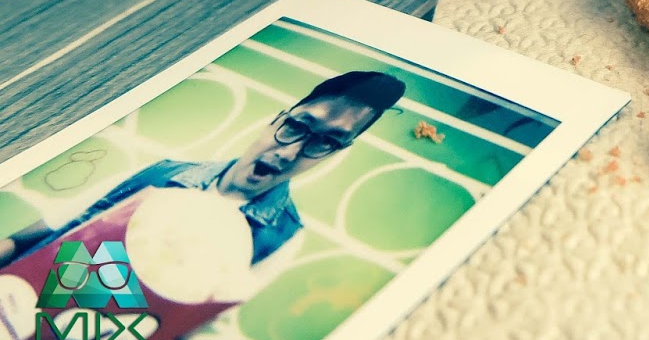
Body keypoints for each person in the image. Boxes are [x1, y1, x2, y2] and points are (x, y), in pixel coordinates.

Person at [0, 70, 406, 269]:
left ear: (336, 153)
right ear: (275, 120)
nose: (291, 152)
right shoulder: (159, 173)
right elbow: (33, 236)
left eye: (326, 142)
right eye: (296, 127)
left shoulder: (282, 238)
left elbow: (174, 336)